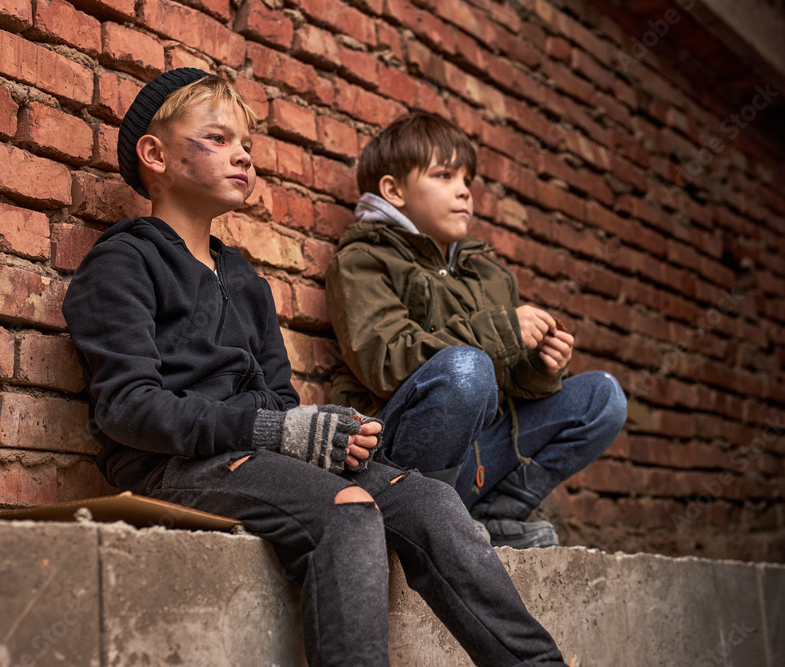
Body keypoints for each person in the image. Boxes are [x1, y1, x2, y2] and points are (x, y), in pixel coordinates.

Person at [62, 68, 567, 667]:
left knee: (428, 500)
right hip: (172, 466)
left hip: (257, 457)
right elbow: (126, 408)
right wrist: (273, 431)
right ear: (156, 154)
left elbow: (277, 397)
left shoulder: (245, 279)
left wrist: (318, 432)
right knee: (349, 509)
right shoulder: (122, 263)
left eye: (246, 144)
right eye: (218, 139)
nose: (242, 156)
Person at [325, 111, 628, 549]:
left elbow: (507, 389)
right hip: (398, 460)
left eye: (467, 178)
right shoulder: (362, 261)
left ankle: (494, 515)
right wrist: (499, 330)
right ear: (394, 191)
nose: (464, 190)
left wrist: (542, 367)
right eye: (444, 175)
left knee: (604, 396)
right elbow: (386, 362)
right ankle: (420, 515)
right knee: (467, 367)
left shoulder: (487, 272)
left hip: (475, 461)